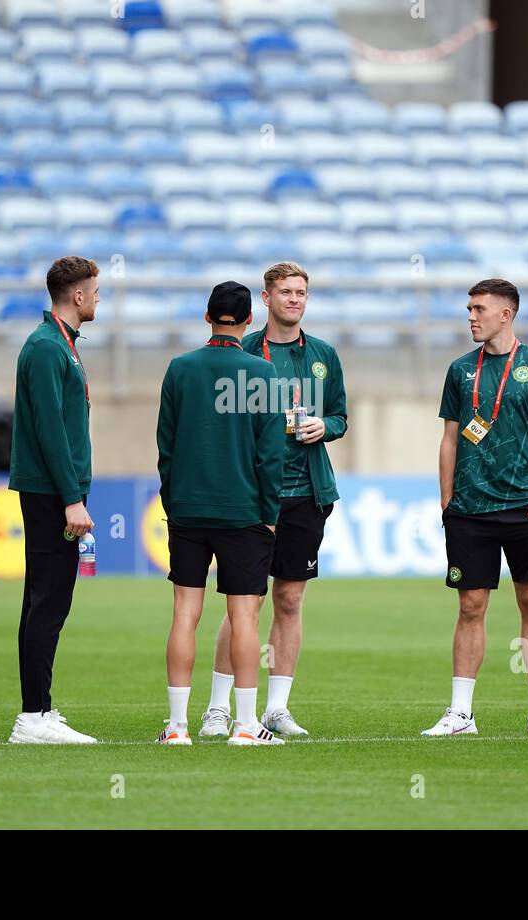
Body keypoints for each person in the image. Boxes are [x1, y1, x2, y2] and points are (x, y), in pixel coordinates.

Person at [200, 262, 347, 739]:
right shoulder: (241, 350)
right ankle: (219, 708)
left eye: (301, 292)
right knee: (243, 604)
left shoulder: (323, 354)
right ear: (264, 299)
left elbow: (341, 415)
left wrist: (325, 426)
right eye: (285, 292)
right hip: (250, 495)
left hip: (306, 492)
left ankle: (276, 708)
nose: (294, 299)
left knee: (289, 598)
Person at [421, 279, 528, 738]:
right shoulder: (459, 370)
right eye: (469, 308)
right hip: (469, 509)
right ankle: (461, 713)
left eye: (479, 309)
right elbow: (450, 438)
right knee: (470, 606)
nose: (471, 316)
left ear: (506, 314)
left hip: (525, 508)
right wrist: (447, 498)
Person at [156, 282, 286, 747]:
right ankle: (246, 726)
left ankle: (176, 727)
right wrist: (269, 511)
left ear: (206, 315)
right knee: (246, 617)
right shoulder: (263, 373)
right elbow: (272, 454)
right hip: (244, 512)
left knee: (184, 615)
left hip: (189, 510)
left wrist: (174, 502)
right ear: (250, 320)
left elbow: (165, 448)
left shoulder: (180, 369)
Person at [7, 256, 99, 746]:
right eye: (96, 291)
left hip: (57, 491)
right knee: (47, 599)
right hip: (49, 494)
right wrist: (70, 499)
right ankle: (32, 716)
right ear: (78, 296)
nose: (99, 299)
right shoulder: (46, 348)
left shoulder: (61, 345)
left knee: (50, 597)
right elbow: (48, 430)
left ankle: (40, 707)